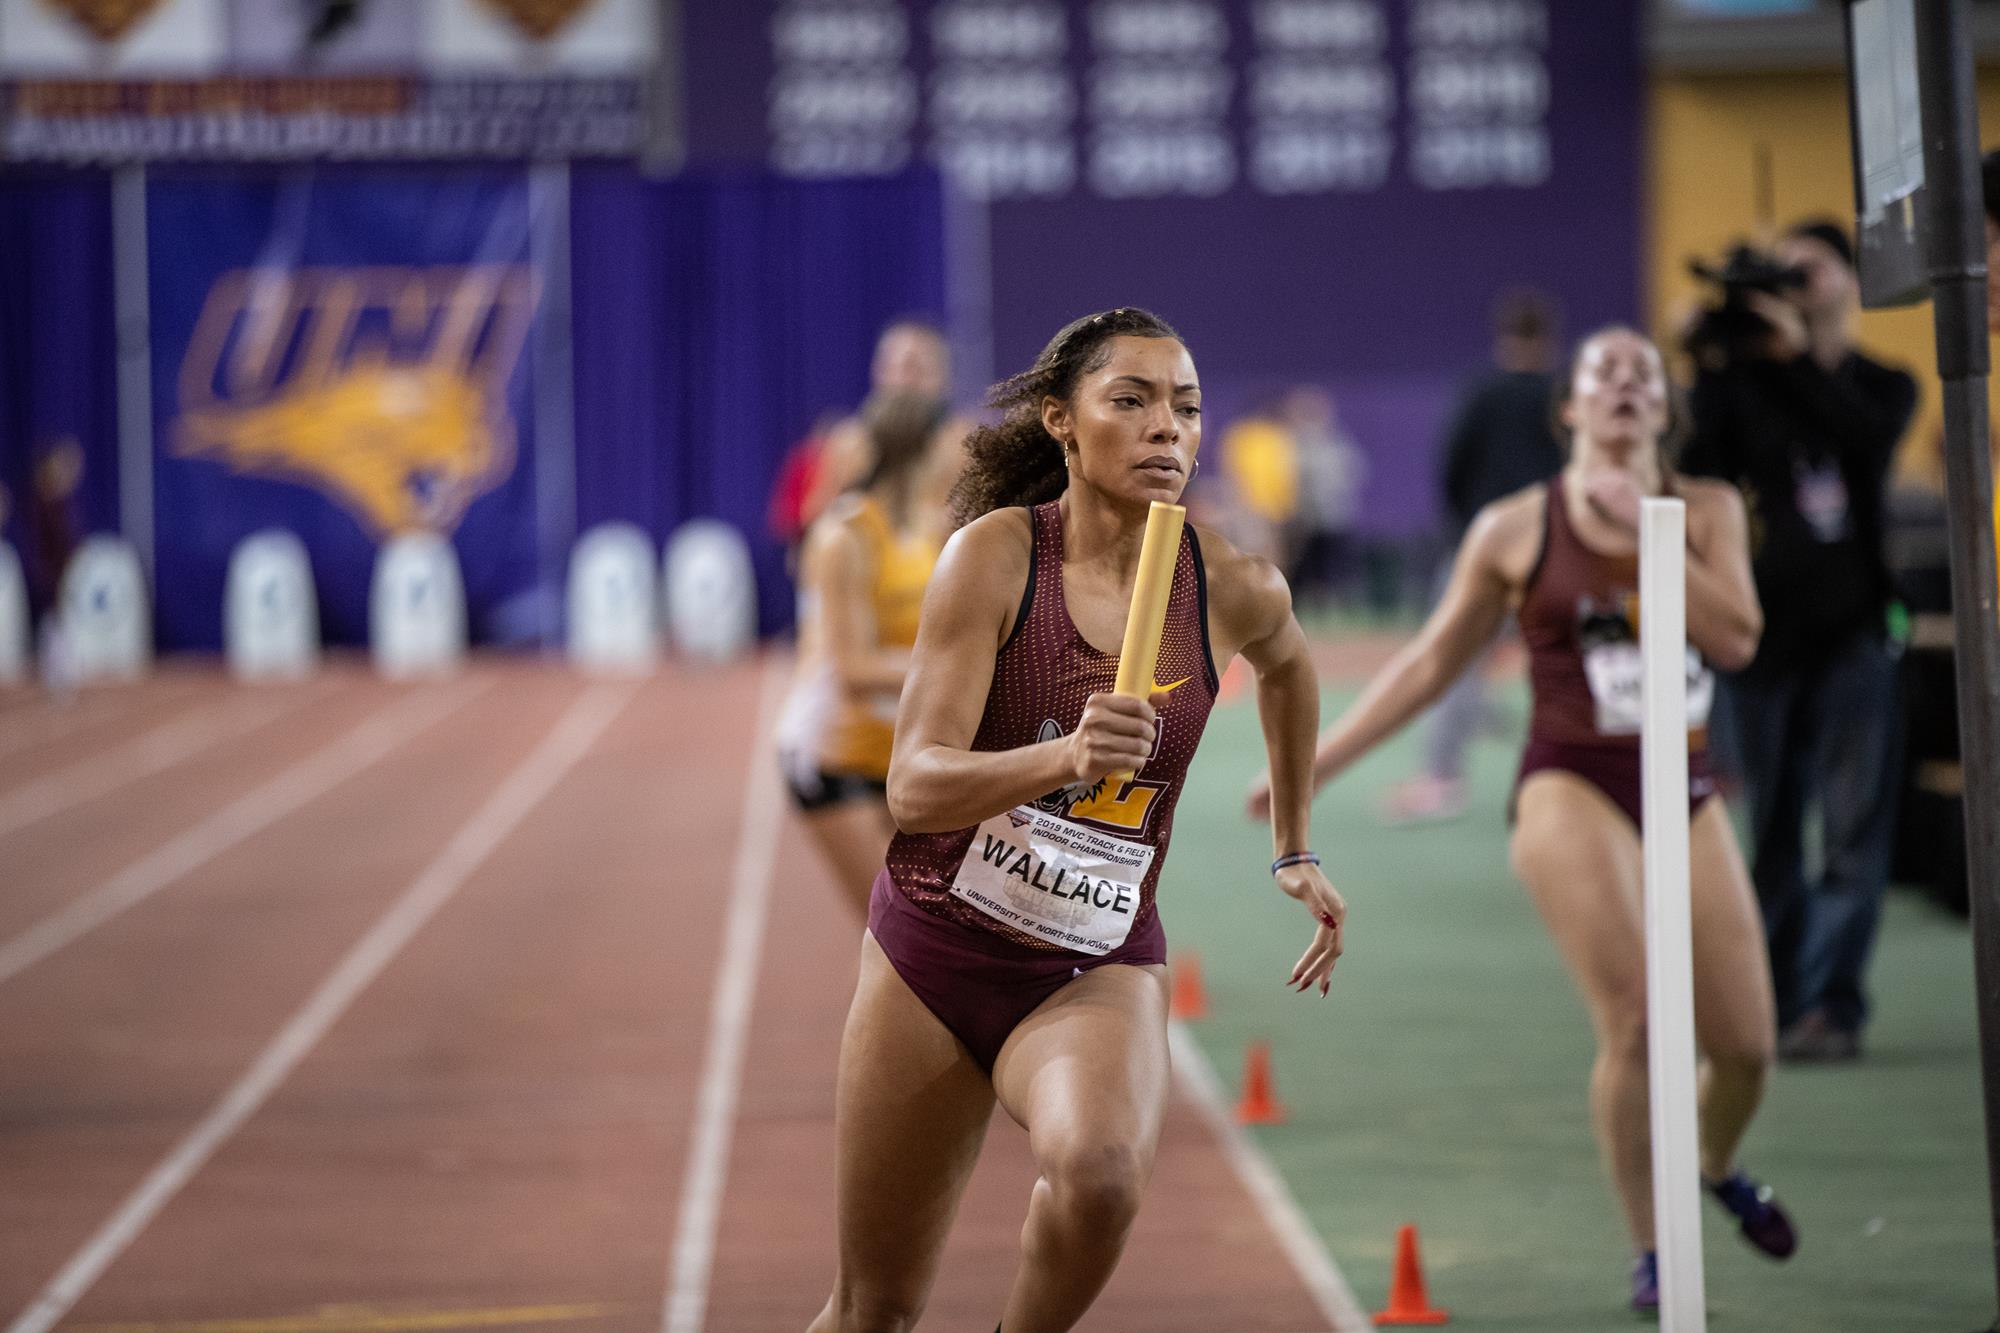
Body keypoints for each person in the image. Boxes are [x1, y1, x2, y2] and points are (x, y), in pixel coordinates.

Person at [809, 307, 1346, 1333]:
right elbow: (913, 787)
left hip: (1090, 960)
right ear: (1061, 418)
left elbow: (1288, 665)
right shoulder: (995, 558)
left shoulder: (1227, 584)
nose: (1166, 427)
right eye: (1130, 401)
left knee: (1099, 1176)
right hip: (934, 956)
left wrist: (1294, 843)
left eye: (1185, 407)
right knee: (873, 1310)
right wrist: (1065, 756)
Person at [1248, 327, 1795, 1312]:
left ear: (1663, 407)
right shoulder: (1513, 527)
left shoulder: (1705, 508)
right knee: (1635, 1016)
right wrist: (1311, 765)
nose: (1623, 384)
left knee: (1747, 1046)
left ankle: (1710, 1167)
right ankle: (1652, 1247)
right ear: (1570, 407)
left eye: (1641, 374)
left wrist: (1644, 531)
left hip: (1683, 781)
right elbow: (1429, 662)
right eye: (1602, 373)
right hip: (1570, 780)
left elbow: (1738, 639)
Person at [1680, 219, 1918, 1061]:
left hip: (1856, 633)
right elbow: (1696, 468)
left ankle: (1832, 1005)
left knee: (1851, 832)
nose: (1791, 284)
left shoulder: (1884, 383)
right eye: (1779, 273)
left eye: (1808, 269)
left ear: (1850, 279)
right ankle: (1774, 1002)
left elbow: (1863, 440)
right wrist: (1713, 363)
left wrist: (1791, 358)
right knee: (1771, 833)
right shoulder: (1745, 382)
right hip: (1760, 644)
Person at [1382, 289, 1564, 823]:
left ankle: (1441, 778)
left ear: (1503, 336)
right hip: (1557, 547)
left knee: (1450, 662)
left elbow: (1453, 467)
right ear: (1549, 339)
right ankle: (1591, 778)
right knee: (1577, 663)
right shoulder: (1564, 397)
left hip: (1483, 549)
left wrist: (1467, 530)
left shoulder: (1481, 394)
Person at [775, 393, 951, 916]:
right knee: (893, 926)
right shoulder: (846, 537)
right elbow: (853, 670)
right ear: (920, 452)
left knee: (929, 924)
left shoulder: (926, 527)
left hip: (892, 749)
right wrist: (959, 673)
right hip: (832, 754)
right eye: (953, 445)